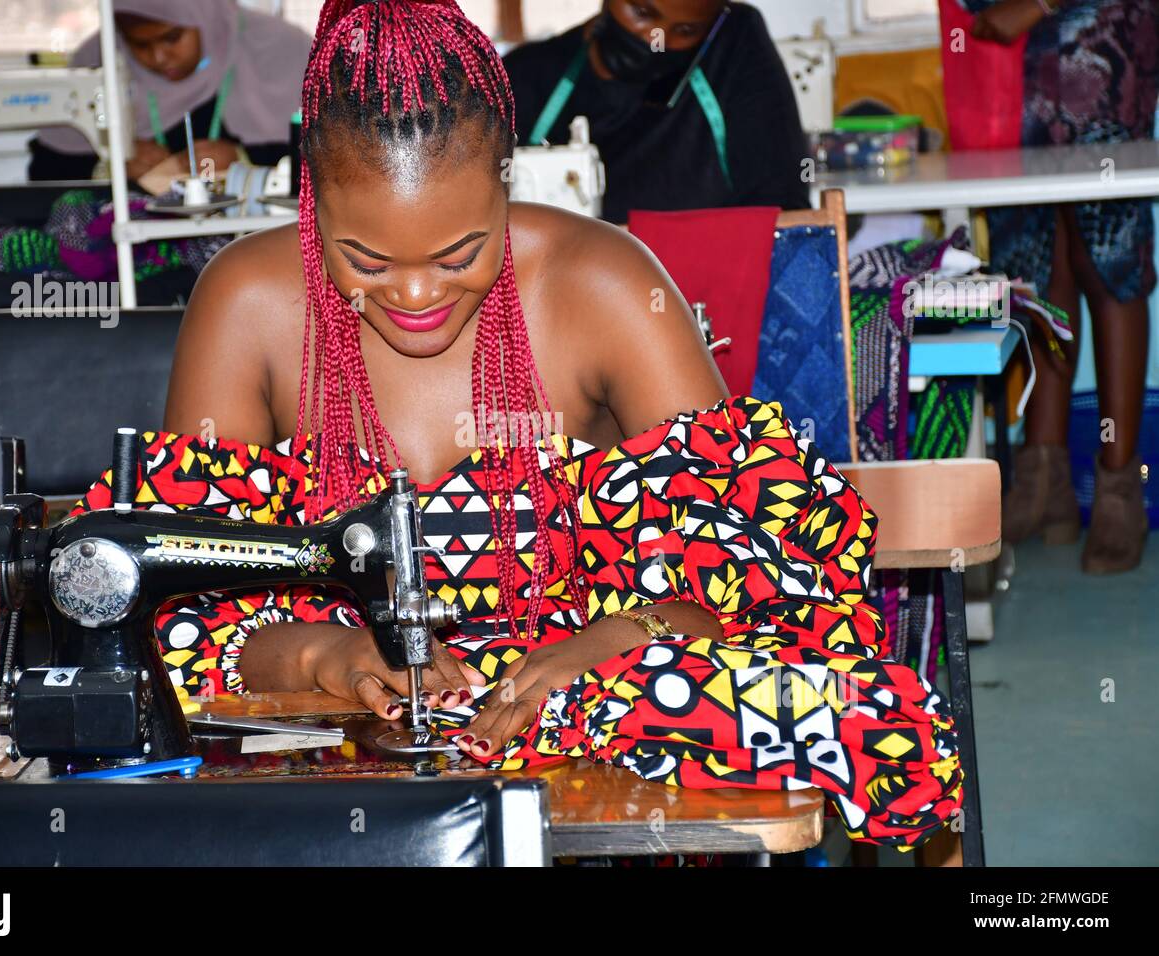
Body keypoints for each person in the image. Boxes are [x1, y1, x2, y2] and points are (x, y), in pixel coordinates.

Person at [73, 0, 961, 848]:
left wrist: (619, 637)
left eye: (460, 253)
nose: (416, 297)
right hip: (340, 746)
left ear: (508, 184)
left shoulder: (605, 287)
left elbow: (768, 584)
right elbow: (173, 608)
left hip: (599, 709)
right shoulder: (249, 306)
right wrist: (325, 654)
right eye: (365, 260)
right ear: (312, 205)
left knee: (864, 720)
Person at [965, 0, 1158, 573]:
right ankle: (1043, 477)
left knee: (1107, 256)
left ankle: (1119, 488)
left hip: (1100, 40)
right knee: (1038, 258)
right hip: (1018, 63)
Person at [502, 0, 809, 223]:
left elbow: (784, 209)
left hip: (704, 298)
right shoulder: (525, 77)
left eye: (686, 30)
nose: (657, 39)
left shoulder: (731, 48)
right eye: (642, 12)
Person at [29, 0, 310, 184]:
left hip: (252, 239)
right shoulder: (98, 60)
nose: (159, 57)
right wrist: (109, 168)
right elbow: (44, 175)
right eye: (138, 45)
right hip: (141, 246)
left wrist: (245, 162)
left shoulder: (280, 49)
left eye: (172, 37)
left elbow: (330, 163)